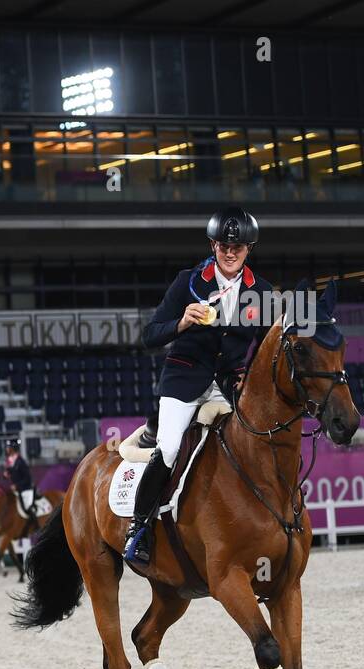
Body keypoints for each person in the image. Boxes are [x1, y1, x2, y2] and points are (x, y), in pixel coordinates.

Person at [124, 206, 274, 566]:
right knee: (171, 447)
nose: (230, 251)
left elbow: (271, 347)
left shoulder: (263, 292)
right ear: (213, 245)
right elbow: (149, 335)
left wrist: (249, 375)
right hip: (184, 377)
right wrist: (181, 322)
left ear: (249, 249)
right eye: (224, 244)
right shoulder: (187, 281)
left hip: (228, 383)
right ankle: (139, 528)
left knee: (258, 441)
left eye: (238, 246)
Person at [4, 439, 37, 517]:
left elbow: (27, 478)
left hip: (25, 490)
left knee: (28, 510)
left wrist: (16, 485)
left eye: (8, 447)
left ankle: (37, 526)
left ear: (13, 449)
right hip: (17, 491)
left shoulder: (21, 462)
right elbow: (10, 473)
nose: (7, 449)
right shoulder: (10, 461)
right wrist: (6, 474)